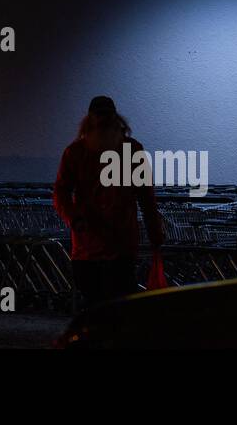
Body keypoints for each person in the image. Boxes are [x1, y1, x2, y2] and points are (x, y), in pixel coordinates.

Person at [53, 95, 165, 315]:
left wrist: (74, 219)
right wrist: (155, 233)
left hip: (92, 243)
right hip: (115, 240)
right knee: (116, 302)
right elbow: (146, 197)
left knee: (97, 303)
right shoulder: (131, 150)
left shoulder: (76, 152)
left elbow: (61, 192)